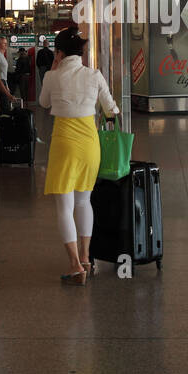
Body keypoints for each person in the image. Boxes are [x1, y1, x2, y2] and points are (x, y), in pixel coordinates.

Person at [39, 28, 120, 284]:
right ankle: (86, 257)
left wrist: (53, 69)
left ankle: (75, 265)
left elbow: (43, 103)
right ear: (82, 53)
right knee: (84, 202)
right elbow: (111, 110)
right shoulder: (94, 75)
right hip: (89, 144)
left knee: (65, 206)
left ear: (59, 53)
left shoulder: (52, 77)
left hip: (64, 144)